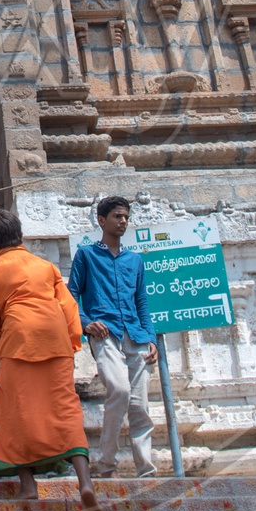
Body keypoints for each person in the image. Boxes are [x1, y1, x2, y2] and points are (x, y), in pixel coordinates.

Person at [0, 208, 103, 511]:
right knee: (65, 408)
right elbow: (69, 307)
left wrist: (0, 347)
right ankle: (85, 483)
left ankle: (29, 485)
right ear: (20, 235)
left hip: (18, 339)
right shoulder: (44, 266)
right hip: (55, 337)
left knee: (15, 411)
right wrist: (71, 341)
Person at [68, 195, 158, 478]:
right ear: (101, 220)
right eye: (117, 216)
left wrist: (152, 337)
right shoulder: (86, 255)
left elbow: (142, 301)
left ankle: (146, 469)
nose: (123, 222)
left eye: (126, 217)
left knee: (140, 405)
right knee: (119, 391)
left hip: (137, 336)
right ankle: (106, 463)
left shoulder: (135, 260)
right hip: (105, 335)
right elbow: (70, 296)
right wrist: (85, 323)